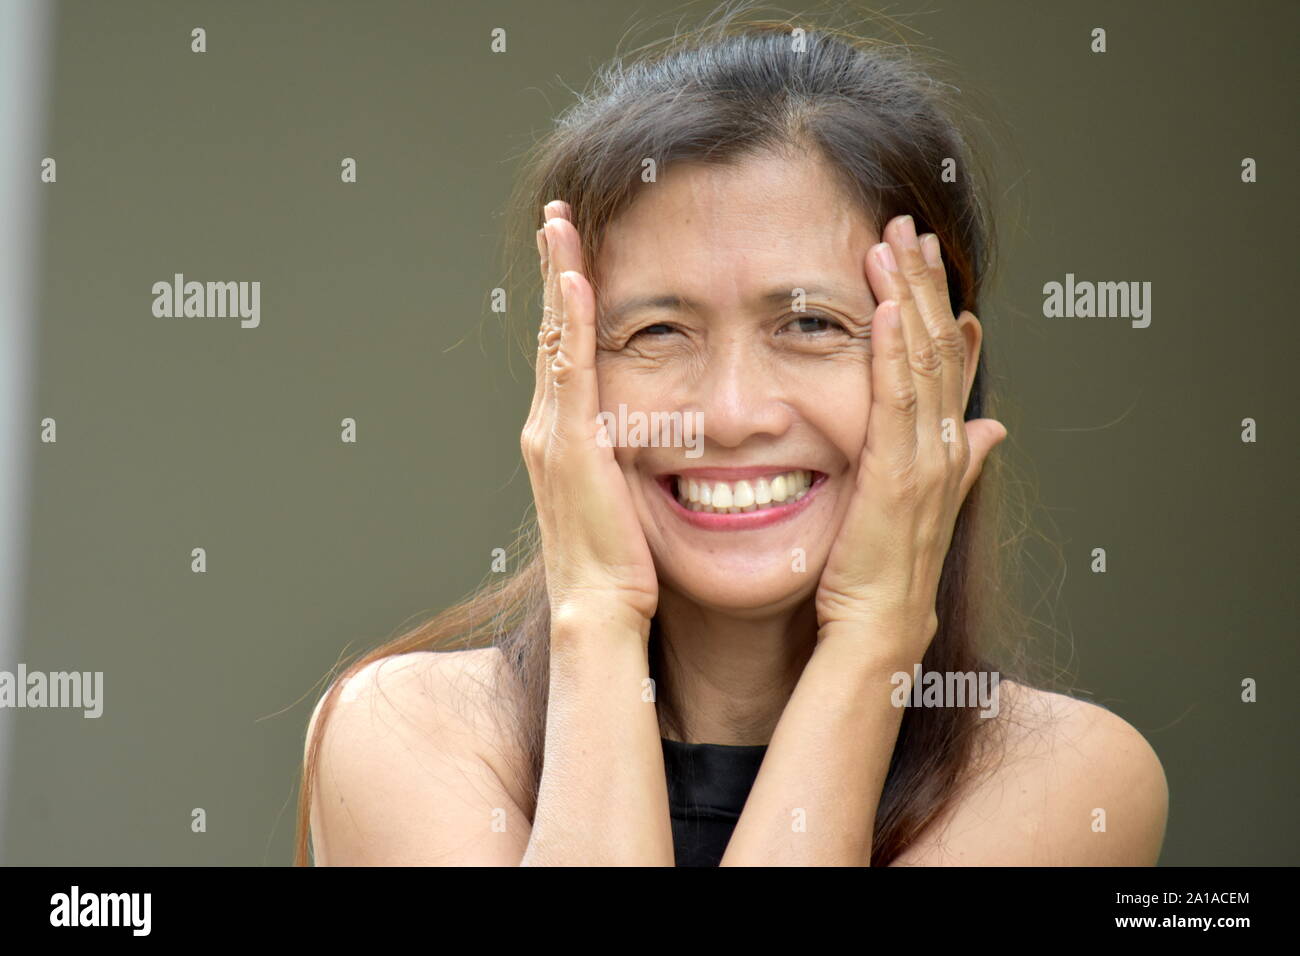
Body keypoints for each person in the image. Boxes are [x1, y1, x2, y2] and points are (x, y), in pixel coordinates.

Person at [296, 14, 1168, 867]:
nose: (729, 412)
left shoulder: (1068, 782)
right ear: (567, 372)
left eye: (811, 325)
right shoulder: (405, 736)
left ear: (942, 364)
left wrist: (871, 646)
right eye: (659, 333)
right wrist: (595, 612)